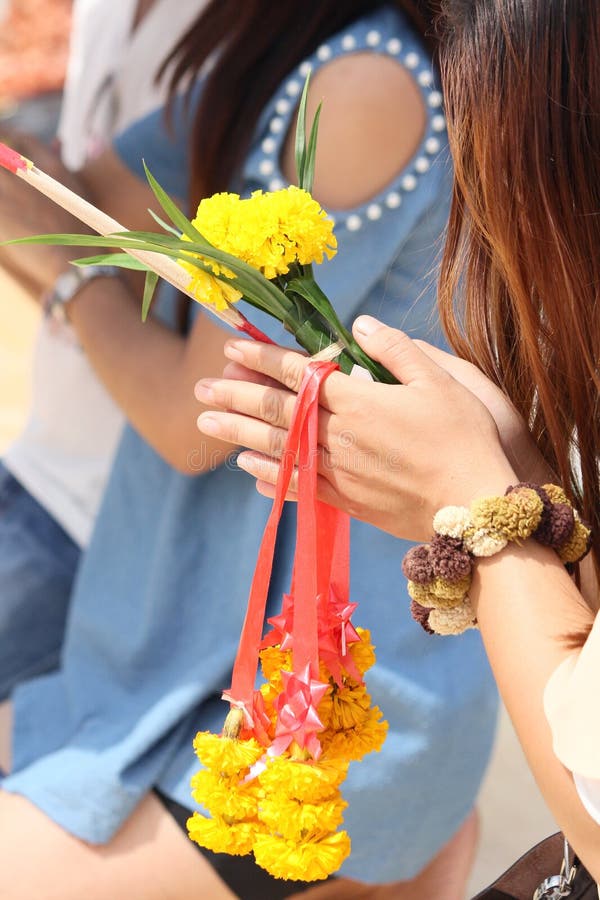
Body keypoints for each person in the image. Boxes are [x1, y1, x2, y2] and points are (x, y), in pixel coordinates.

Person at [0, 2, 497, 897]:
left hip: (312, 718)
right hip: (191, 652)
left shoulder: (368, 85)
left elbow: (205, 418)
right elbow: (117, 188)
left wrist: (65, 282)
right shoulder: (290, 34)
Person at [194, 0, 600, 885]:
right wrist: (520, 479)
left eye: (491, 176)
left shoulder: (370, 83)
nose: (488, 225)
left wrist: (473, 502)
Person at [0, 0, 199, 701]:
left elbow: (200, 400)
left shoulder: (262, 35)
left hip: (123, 530)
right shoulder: (105, 9)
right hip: (44, 465)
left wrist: (65, 261)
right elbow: (60, 237)